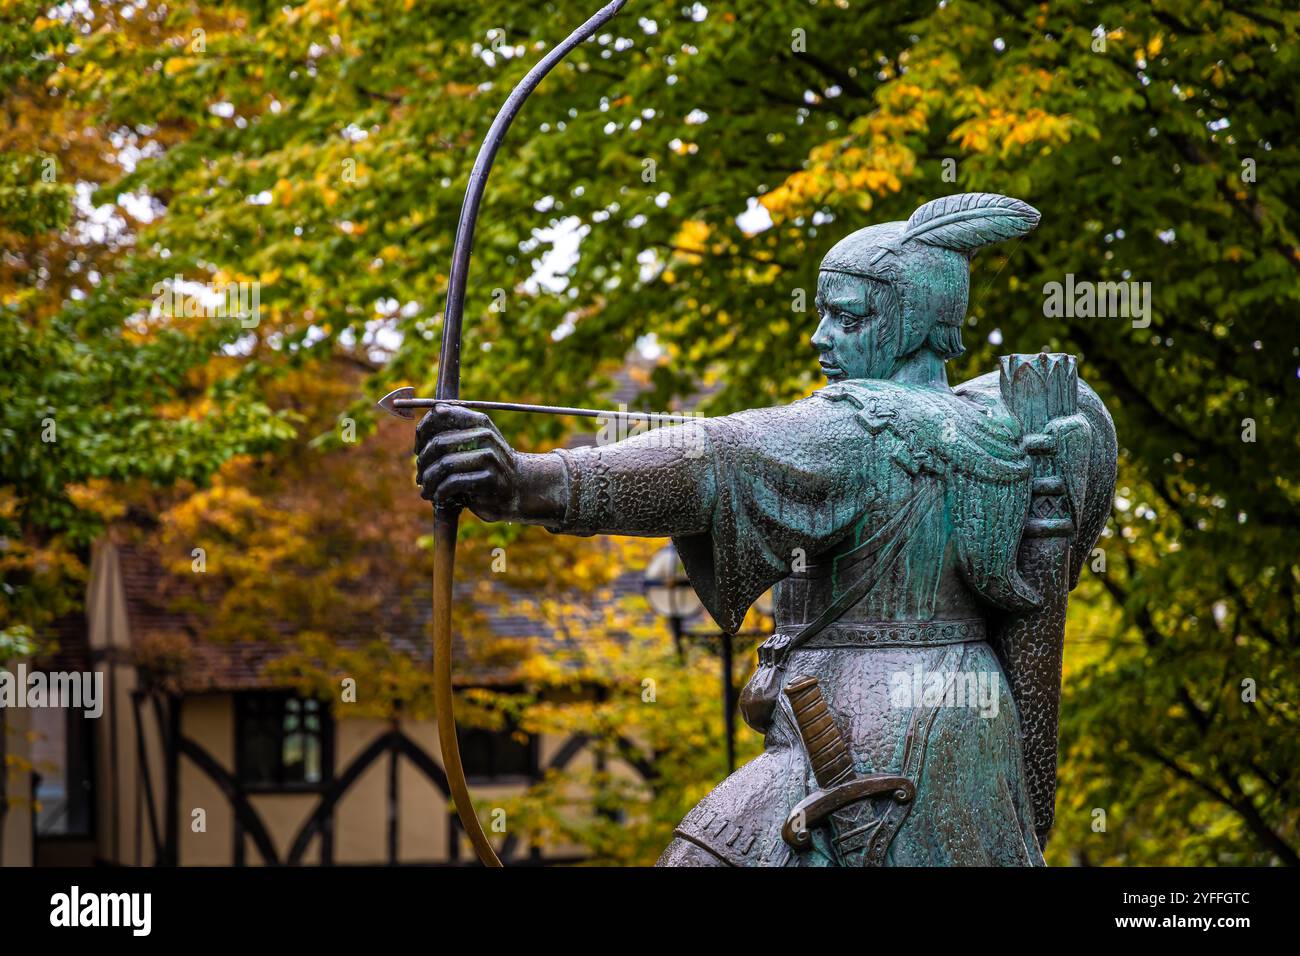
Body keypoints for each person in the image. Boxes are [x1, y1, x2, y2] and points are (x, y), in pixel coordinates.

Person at [413, 193, 1115, 866]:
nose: (821, 337)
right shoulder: (998, 430)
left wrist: (528, 483)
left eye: (848, 318)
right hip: (965, 730)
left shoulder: (864, 427)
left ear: (913, 324)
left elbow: (711, 460)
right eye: (823, 315)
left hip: (866, 736)